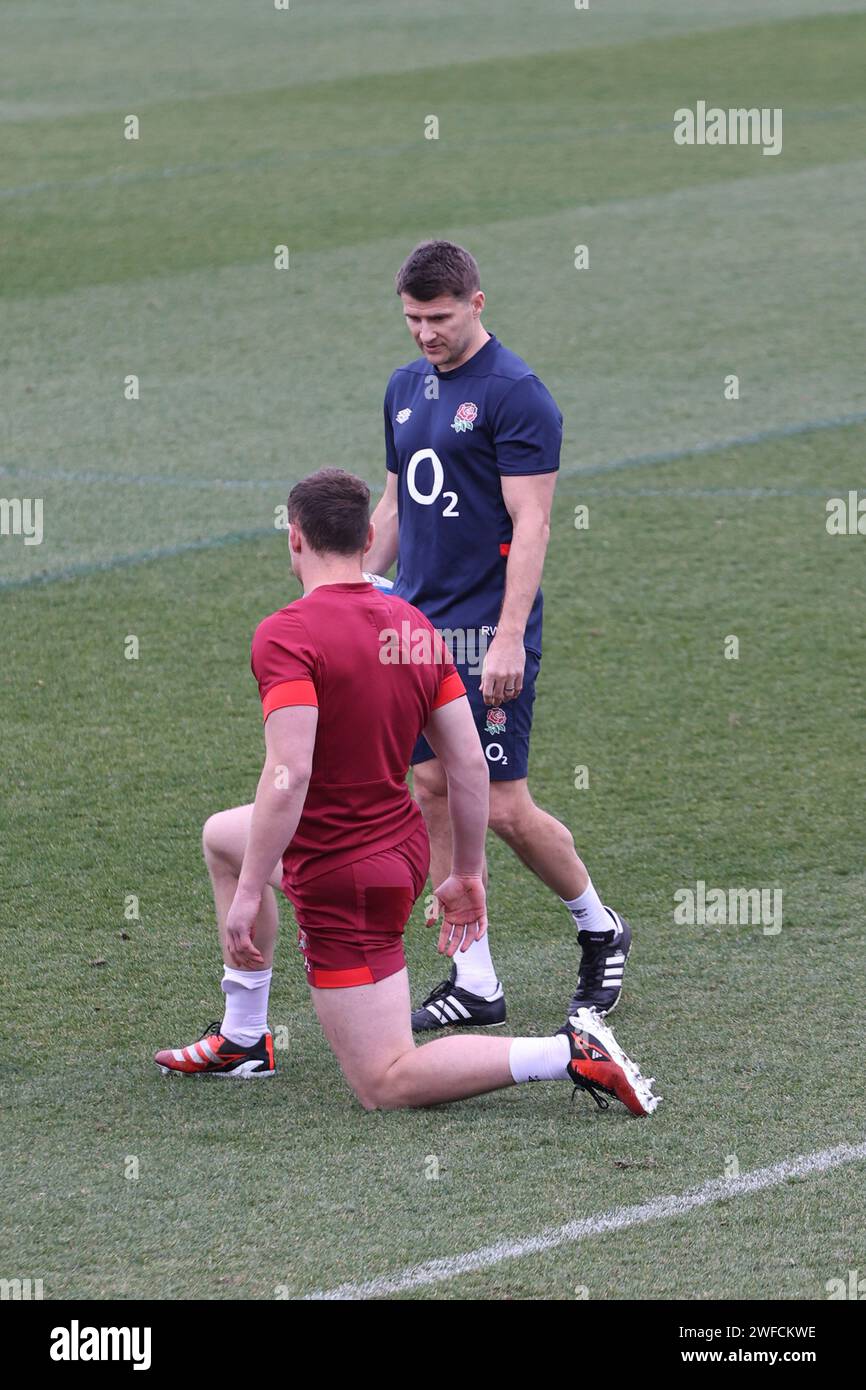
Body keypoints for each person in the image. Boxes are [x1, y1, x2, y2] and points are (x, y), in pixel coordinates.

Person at [154, 468, 658, 1118]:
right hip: (399, 847)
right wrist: (468, 873)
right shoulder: (414, 627)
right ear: (369, 537)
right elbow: (470, 765)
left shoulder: (286, 634)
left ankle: (565, 1053)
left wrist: (251, 893)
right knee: (225, 837)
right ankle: (244, 1038)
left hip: (341, 873)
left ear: (294, 538)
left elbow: (290, 774)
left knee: (385, 1080)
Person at [363, 239, 631, 1033]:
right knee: (429, 791)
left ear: (477, 304)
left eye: (438, 318)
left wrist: (510, 635)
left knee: (505, 806)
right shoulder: (404, 388)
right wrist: (344, 595)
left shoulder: (517, 394)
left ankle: (598, 926)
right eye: (412, 319)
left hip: (485, 634)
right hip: (412, 633)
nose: (424, 334)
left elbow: (533, 521)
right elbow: (394, 510)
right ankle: (473, 976)